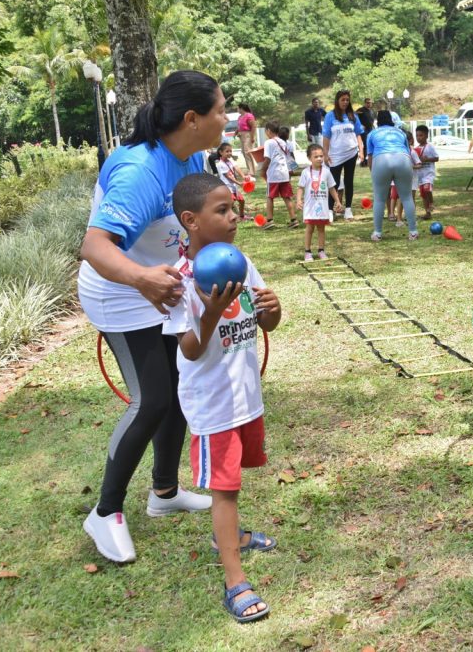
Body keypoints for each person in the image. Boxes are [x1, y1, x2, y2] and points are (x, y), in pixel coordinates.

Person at [77, 70, 225, 563]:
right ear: (192, 119)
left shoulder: (193, 157)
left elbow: (193, 223)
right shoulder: (140, 170)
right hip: (120, 294)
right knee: (152, 399)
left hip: (163, 284)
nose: (227, 118)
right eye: (220, 110)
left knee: (179, 387)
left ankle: (164, 493)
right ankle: (105, 512)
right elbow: (93, 246)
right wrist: (141, 280)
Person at [163, 173, 281, 623]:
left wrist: (274, 309)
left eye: (234, 209)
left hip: (246, 395)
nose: (235, 217)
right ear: (191, 220)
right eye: (223, 211)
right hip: (213, 403)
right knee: (225, 489)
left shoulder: (241, 262)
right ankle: (234, 578)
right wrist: (210, 312)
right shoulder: (180, 281)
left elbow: (265, 324)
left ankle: (226, 537)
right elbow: (190, 349)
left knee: (234, 481)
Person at [367, 110, 420, 242]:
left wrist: (373, 171)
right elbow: (408, 151)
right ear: (391, 120)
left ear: (377, 121)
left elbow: (370, 157)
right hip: (403, 160)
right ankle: (413, 231)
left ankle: (378, 233)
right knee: (407, 197)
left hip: (381, 160)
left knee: (379, 199)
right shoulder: (400, 132)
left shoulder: (372, 133)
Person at [322, 90, 365, 221]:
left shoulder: (353, 116)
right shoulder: (330, 116)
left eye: (347, 100)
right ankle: (330, 210)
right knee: (332, 183)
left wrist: (361, 151)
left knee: (348, 181)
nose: (345, 102)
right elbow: (326, 136)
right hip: (335, 155)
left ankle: (348, 210)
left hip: (351, 153)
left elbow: (358, 134)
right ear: (337, 101)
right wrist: (325, 153)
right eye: (343, 100)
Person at [297, 144, 342, 261]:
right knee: (310, 229)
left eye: (321, 156)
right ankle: (307, 252)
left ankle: (321, 250)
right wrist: (298, 200)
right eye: (316, 156)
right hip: (310, 208)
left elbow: (332, 188)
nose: (319, 159)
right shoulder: (305, 172)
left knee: (321, 229)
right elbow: (300, 188)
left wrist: (337, 201)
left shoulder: (326, 172)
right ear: (309, 158)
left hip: (322, 207)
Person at [259, 120, 297, 229]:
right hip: (284, 173)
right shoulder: (283, 142)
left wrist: (262, 170)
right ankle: (293, 219)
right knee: (287, 197)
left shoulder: (268, 142)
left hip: (274, 174)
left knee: (270, 197)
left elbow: (267, 159)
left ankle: (270, 220)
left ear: (269, 131)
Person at [214, 142, 247, 220]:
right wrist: (239, 183)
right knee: (231, 202)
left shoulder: (230, 160)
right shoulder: (220, 164)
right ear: (221, 152)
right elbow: (228, 176)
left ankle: (241, 216)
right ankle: (227, 218)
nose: (229, 153)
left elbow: (236, 168)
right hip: (227, 186)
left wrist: (243, 176)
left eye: (230, 151)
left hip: (233, 185)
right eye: (227, 151)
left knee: (241, 200)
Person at [413, 124, 439, 219]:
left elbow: (436, 158)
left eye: (421, 135)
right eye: (417, 136)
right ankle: (427, 213)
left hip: (428, 173)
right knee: (423, 194)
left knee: (427, 188)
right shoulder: (415, 149)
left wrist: (427, 159)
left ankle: (431, 203)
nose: (418, 138)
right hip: (420, 175)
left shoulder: (430, 147)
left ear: (426, 135)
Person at [236, 103, 257, 175]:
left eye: (238, 108)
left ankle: (251, 171)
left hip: (248, 135)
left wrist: (252, 137)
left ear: (241, 108)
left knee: (247, 152)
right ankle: (249, 169)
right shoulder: (239, 117)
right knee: (244, 153)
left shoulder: (249, 115)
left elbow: (253, 126)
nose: (237, 110)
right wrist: (236, 132)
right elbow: (239, 126)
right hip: (241, 136)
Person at [356, 97, 375, 166]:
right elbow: (354, 116)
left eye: (370, 103)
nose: (369, 104)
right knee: (365, 144)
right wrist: (360, 125)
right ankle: (363, 161)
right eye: (367, 103)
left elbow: (371, 120)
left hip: (370, 129)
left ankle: (369, 160)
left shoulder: (371, 111)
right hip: (364, 130)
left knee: (370, 144)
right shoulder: (361, 110)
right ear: (365, 103)